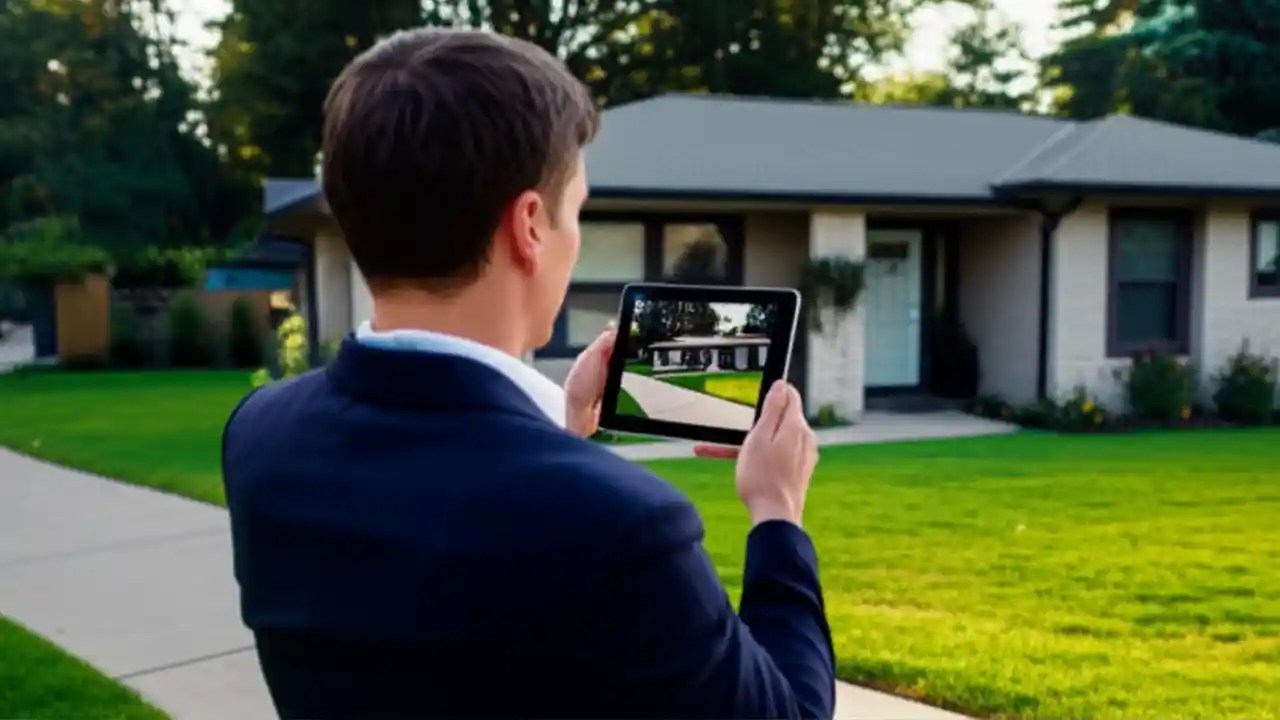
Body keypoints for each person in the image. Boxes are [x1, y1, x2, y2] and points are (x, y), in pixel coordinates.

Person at [221, 27, 834, 719]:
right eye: (577, 214)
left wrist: (560, 433)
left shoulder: (259, 436)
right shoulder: (624, 527)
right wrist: (777, 515)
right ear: (531, 226)